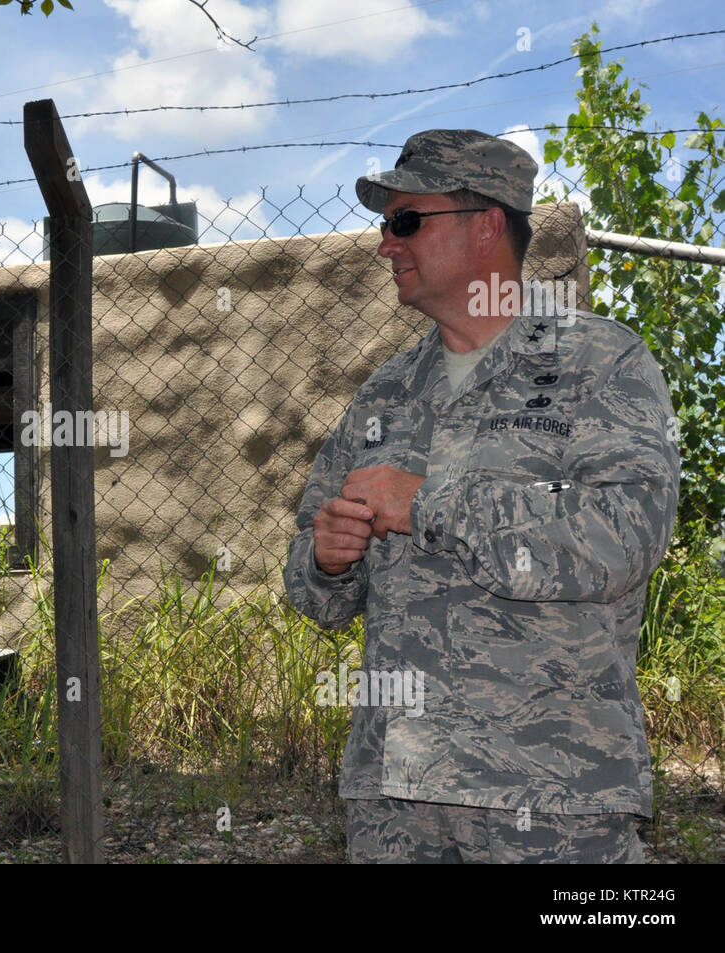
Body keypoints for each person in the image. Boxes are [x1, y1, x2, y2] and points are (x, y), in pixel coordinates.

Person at [283, 129, 680, 863]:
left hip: (553, 794)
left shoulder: (599, 361)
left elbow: (627, 534)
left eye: (406, 220)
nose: (385, 245)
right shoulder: (387, 392)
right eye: (383, 224)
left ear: (487, 226)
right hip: (394, 800)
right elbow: (314, 591)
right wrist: (326, 559)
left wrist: (428, 504)